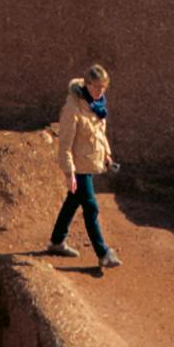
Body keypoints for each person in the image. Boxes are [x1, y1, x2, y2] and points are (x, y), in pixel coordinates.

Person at [50, 61, 117, 270]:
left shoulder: (97, 105)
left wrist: (107, 155)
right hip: (78, 168)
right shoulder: (72, 109)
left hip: (89, 163)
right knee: (91, 207)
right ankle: (103, 253)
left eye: (103, 87)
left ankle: (56, 241)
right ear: (86, 84)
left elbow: (99, 133)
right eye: (97, 87)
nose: (100, 91)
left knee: (72, 202)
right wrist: (69, 173)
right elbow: (65, 145)